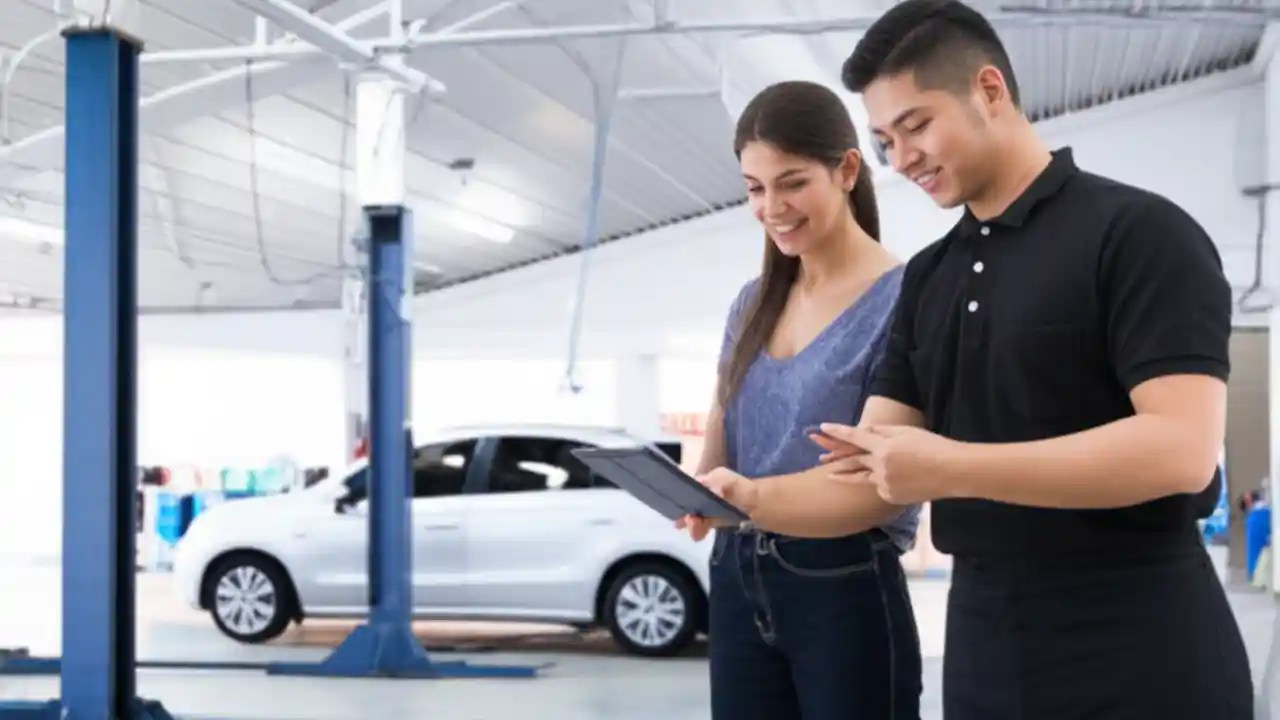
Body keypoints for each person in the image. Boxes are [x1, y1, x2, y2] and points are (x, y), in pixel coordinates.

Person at [681, 1, 1255, 718]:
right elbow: (872, 471)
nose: (902, 158)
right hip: (985, 642)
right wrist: (749, 499)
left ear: (989, 90)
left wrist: (950, 465)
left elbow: (1179, 450)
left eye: (916, 125)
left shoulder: (1138, 233)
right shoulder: (928, 279)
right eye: (887, 139)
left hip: (1139, 638)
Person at [680, 80, 922, 719]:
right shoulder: (751, 302)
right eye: (755, 188)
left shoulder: (905, 301)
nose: (772, 207)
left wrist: (747, 497)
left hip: (841, 580)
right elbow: (722, 425)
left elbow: (877, 482)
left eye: (791, 182)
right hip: (736, 573)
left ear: (846, 169)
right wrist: (701, 491)